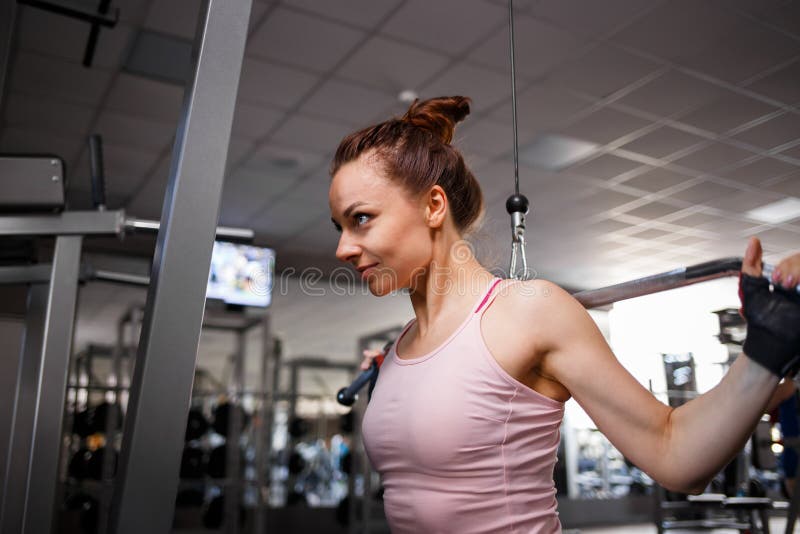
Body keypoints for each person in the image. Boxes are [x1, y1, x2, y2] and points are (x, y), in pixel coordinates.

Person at [327, 96, 800, 533]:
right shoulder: (401, 346)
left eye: (361, 218)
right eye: (339, 227)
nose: (343, 248)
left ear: (433, 206)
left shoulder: (529, 312)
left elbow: (675, 453)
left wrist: (767, 348)